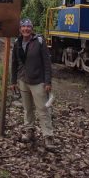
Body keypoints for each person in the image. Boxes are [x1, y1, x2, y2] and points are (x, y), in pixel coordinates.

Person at [10, 18, 55, 150]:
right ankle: (29, 131)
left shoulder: (39, 41)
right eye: (23, 27)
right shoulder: (17, 42)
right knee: (27, 108)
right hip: (23, 80)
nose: (26, 29)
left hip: (38, 81)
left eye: (28, 27)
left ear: (32, 28)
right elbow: (14, 63)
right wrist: (13, 81)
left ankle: (48, 136)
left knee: (43, 109)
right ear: (20, 29)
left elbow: (47, 63)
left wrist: (48, 81)